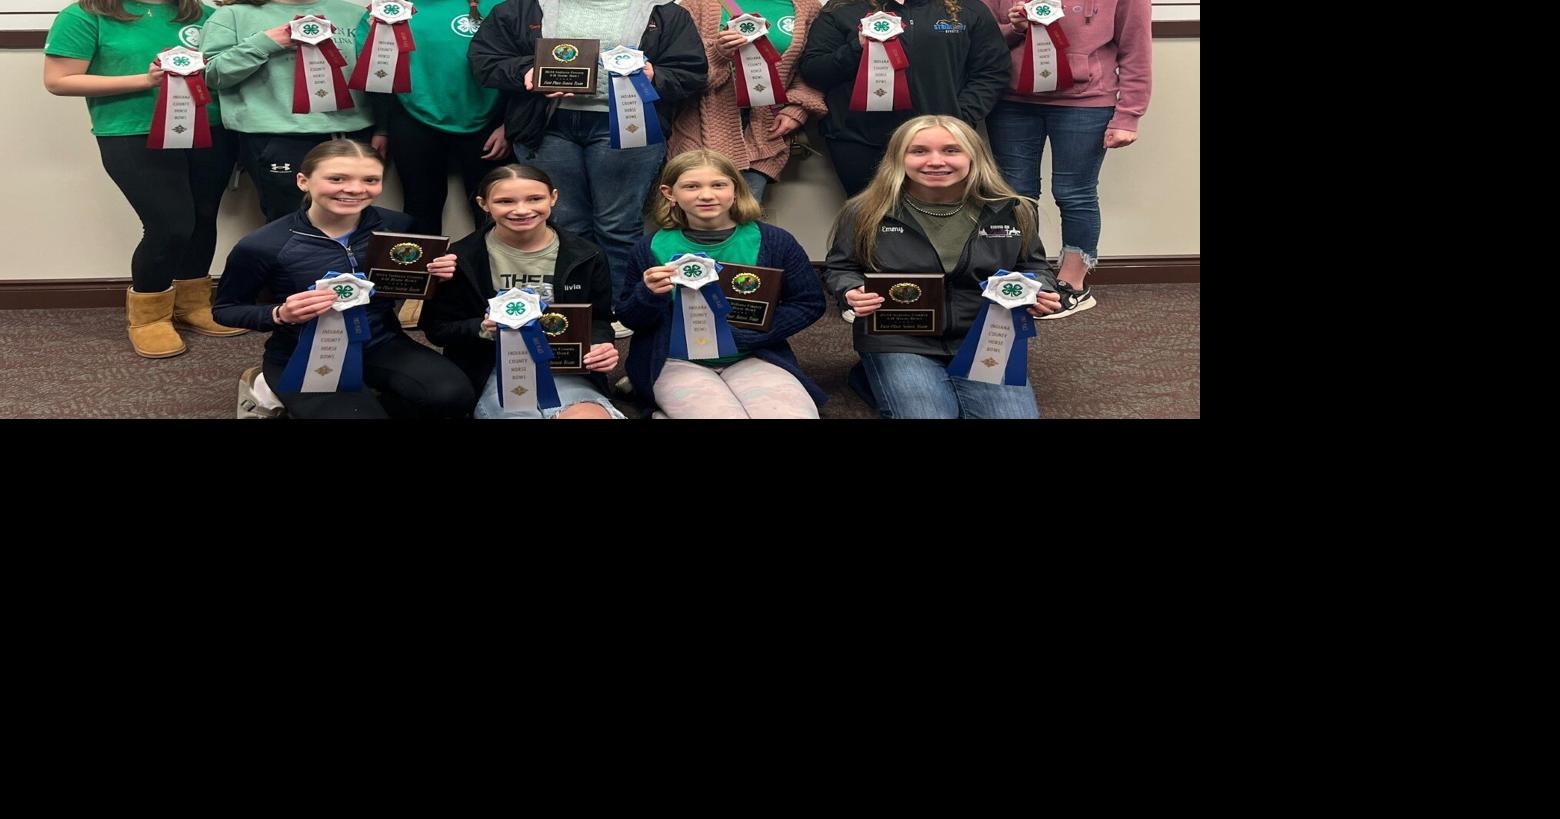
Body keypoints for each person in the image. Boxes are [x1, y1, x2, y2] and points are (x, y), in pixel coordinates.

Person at [468, 0, 709, 339]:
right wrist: (527, 72)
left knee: (618, 222)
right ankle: (576, 309)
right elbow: (485, 61)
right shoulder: (521, 8)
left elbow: (693, 73)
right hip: (547, 125)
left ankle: (621, 306)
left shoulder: (665, 12)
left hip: (629, 125)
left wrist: (656, 75)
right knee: (563, 221)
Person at [212, 139, 475, 418]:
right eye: (337, 178)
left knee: (454, 396)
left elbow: (400, 285)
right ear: (303, 181)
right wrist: (280, 313)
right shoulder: (263, 244)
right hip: (304, 354)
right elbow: (226, 310)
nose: (355, 189)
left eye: (370, 179)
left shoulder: (397, 227)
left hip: (381, 343)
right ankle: (266, 385)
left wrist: (437, 276)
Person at [43, 0, 248, 359]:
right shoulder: (83, 15)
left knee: (202, 219)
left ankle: (192, 304)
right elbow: (59, 81)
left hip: (210, 129)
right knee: (170, 226)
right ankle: (149, 318)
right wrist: (147, 80)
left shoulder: (204, 13)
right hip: (131, 132)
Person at [823, 115, 1063, 419]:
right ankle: (873, 373)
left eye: (951, 150)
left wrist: (1042, 290)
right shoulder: (865, 211)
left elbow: (1034, 266)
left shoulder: (1013, 209)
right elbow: (840, 267)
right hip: (898, 337)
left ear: (973, 156)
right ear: (898, 158)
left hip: (986, 336)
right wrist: (850, 290)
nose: (935, 161)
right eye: (919, 151)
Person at [616, 148, 826, 418]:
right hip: (676, 360)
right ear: (670, 194)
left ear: (735, 190)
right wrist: (647, 294)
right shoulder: (649, 247)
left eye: (718, 185)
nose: (706, 195)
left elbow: (808, 303)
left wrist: (749, 336)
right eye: (691, 186)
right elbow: (629, 317)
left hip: (753, 355)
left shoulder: (775, 241)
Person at [982, 0, 1151, 318]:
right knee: (1014, 195)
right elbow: (978, 38)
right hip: (1010, 101)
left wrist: (1129, 115)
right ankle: (1021, 275)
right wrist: (1013, 30)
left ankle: (1073, 283)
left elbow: (1136, 49)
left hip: (1086, 102)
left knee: (1074, 193)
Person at [422, 164, 625, 419]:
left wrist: (600, 344)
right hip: (492, 367)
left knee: (588, 416)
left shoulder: (587, 255)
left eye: (535, 199)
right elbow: (438, 329)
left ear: (553, 197)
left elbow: (599, 318)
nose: (521, 210)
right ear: (483, 204)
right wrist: (483, 327)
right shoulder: (458, 259)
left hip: (564, 364)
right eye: (505, 201)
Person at [202, 0, 375, 222]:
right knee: (289, 224)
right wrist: (265, 42)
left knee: (353, 223)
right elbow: (212, 76)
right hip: (276, 136)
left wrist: (383, 128)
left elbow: (379, 76)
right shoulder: (232, 16)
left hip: (353, 135)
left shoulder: (355, 14)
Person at [666, 0, 826, 201]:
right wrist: (718, 54)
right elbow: (679, 74)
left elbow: (812, 68)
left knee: (746, 217)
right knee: (698, 219)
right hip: (702, 133)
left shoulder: (807, 7)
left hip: (764, 133)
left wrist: (797, 108)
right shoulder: (697, 5)